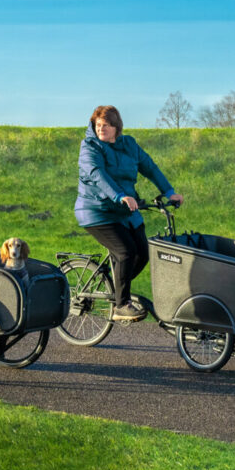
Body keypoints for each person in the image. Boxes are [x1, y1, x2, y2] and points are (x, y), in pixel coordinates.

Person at [74, 105, 184, 322]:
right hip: (97, 211)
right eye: (98, 125)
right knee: (126, 252)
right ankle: (121, 305)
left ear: (117, 127)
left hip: (126, 210)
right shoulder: (89, 147)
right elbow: (98, 175)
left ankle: (116, 287)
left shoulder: (129, 144)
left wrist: (169, 192)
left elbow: (150, 168)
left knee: (143, 252)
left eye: (107, 125)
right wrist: (120, 196)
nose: (101, 128)